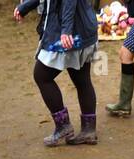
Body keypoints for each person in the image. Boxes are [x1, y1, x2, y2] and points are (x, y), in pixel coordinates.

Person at [14, 0, 99, 146]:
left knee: (41, 76)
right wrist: (26, 6)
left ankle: (64, 126)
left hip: (71, 31)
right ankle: (88, 130)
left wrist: (66, 30)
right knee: (82, 79)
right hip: (82, 28)